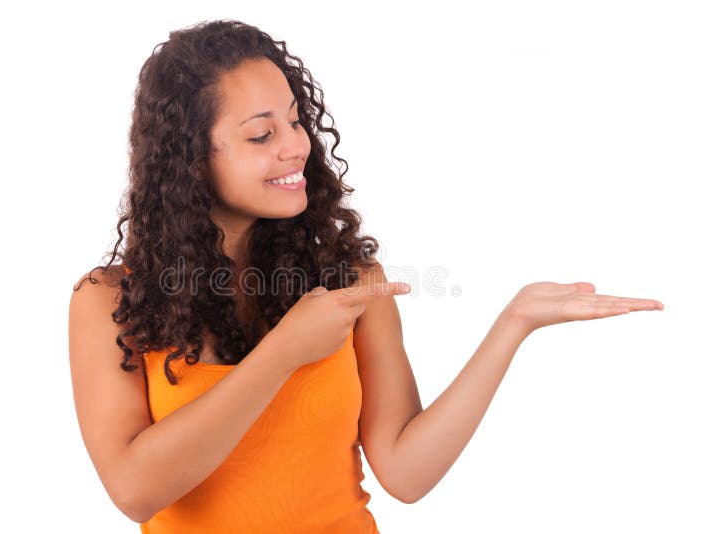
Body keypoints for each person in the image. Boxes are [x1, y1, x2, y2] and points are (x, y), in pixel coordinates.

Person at [68, 19, 664, 533]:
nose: (295, 146)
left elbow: (405, 473)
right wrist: (285, 351)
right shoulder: (109, 300)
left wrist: (513, 325)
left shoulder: (350, 283)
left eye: (296, 122)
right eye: (260, 133)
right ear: (190, 159)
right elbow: (135, 490)